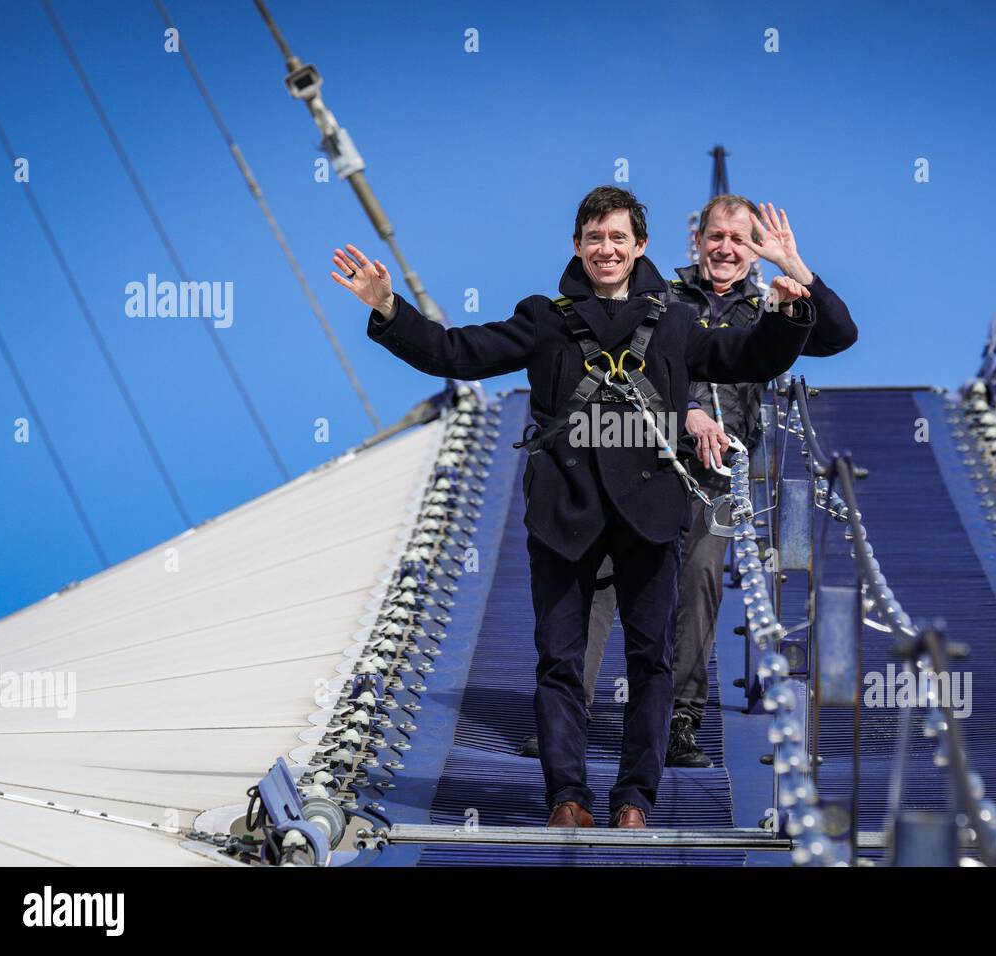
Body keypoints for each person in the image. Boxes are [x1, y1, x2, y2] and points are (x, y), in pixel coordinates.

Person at [331, 186, 816, 829]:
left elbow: (744, 356)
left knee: (651, 661)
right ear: (577, 247)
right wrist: (387, 308)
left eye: (618, 238)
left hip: (649, 513)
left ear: (640, 246)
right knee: (559, 662)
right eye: (594, 238)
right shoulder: (544, 319)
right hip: (565, 515)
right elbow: (457, 353)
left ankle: (635, 801)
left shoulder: (674, 322)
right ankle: (566, 797)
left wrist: (787, 315)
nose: (606, 249)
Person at [524, 194, 857, 769]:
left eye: (741, 240)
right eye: (716, 237)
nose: (726, 248)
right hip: (645, 462)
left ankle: (680, 719)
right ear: (698, 241)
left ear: (754, 250)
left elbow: (837, 336)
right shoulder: (662, 296)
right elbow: (633, 351)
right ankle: (567, 714)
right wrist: (689, 412)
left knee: (700, 577)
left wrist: (793, 268)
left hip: (717, 476)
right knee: (600, 578)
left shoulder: (769, 304)